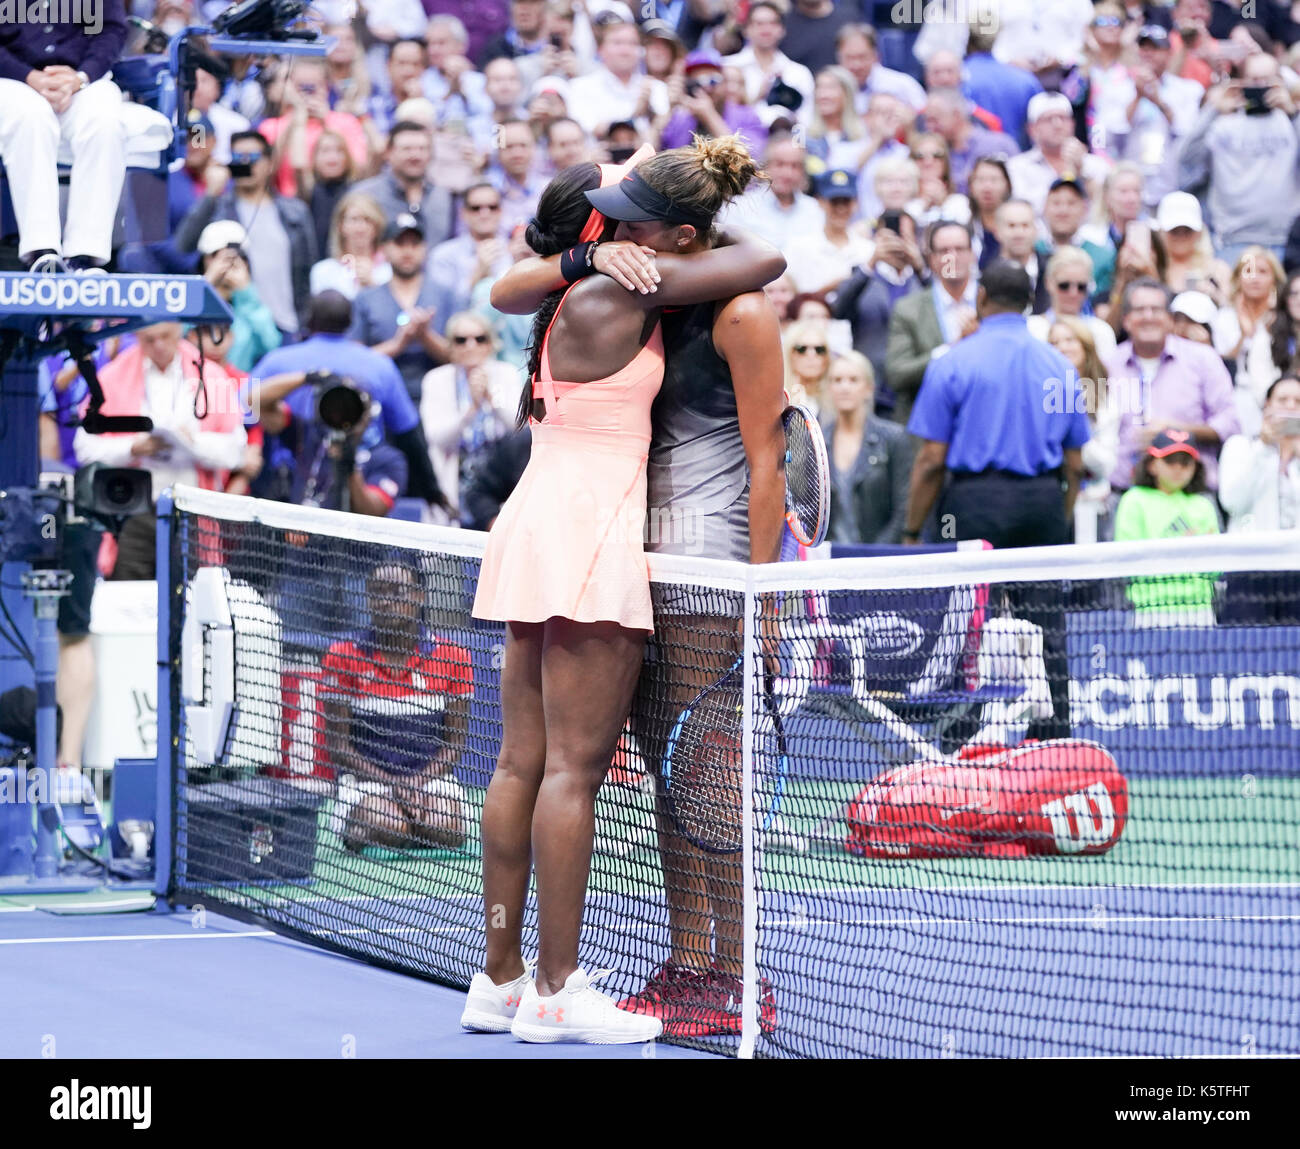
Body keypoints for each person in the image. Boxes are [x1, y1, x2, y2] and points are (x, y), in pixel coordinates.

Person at [464, 141, 784, 1043]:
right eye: (614, 215)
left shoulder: (576, 289)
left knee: (521, 765)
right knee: (572, 770)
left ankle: (500, 977)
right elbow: (766, 253)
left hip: (540, 527)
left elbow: (509, 284)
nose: (623, 223)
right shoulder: (624, 287)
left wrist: (587, 250)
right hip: (594, 535)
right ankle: (559, 993)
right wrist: (604, 252)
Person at [904, 262, 1091, 740]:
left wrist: (911, 530)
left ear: (982, 298)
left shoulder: (954, 361)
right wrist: (1059, 512)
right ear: (1030, 302)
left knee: (965, 618)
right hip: (1040, 502)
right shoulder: (1059, 366)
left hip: (971, 502)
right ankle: (1054, 736)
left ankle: (956, 735)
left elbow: (930, 459)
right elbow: (1074, 462)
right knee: (1046, 620)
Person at [73, 323, 247, 580]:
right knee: (128, 597)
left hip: (194, 512)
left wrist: (193, 443)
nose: (159, 346)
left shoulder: (213, 376)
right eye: (148, 340)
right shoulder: (113, 376)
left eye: (165, 337)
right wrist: (133, 447)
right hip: (134, 511)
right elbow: (84, 447)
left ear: (179, 330)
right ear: (136, 336)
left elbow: (235, 452)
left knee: (191, 599)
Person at [322, 561, 472, 851]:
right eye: (378, 593)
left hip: (430, 779)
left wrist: (417, 783)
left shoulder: (453, 657)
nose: (386, 602)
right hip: (366, 782)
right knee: (393, 827)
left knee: (445, 828)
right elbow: (337, 747)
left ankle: (398, 826)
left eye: (397, 592)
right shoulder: (342, 655)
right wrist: (392, 785)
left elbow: (454, 746)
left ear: (419, 596)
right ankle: (362, 822)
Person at [0, 0, 128, 270]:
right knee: (31, 117)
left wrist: (82, 77)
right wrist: (27, 76)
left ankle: (86, 254)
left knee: (104, 120)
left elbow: (112, 29)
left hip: (81, 80)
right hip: (12, 79)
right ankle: (40, 251)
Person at [176, 129, 319, 338]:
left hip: (289, 325)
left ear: (270, 164)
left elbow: (310, 269)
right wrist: (211, 194)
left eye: (252, 157)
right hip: (238, 331)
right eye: (237, 158)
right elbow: (183, 245)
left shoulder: (295, 212)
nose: (245, 164)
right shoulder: (218, 207)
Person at [1107, 278, 1241, 494]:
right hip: (1123, 493)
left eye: (1156, 309)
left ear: (1170, 319)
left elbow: (1230, 422)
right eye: (1140, 310)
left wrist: (1179, 431)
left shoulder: (1202, 359)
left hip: (1191, 495)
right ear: (1126, 320)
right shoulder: (1108, 365)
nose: (1148, 317)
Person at [1180, 53, 1300, 265]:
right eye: (1254, 80)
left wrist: (1294, 113)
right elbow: (1187, 160)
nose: (1261, 86)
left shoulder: (1290, 121)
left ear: (1280, 82)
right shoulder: (1223, 122)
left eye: (1268, 80)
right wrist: (1213, 110)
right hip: (1232, 240)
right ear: (1241, 81)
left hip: (1285, 239)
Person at [1113, 429, 1221, 627]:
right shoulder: (1134, 501)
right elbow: (1129, 561)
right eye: (1170, 461)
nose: (1178, 468)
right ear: (1152, 465)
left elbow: (1215, 567)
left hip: (1200, 612)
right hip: (1151, 612)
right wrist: (1186, 549)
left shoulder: (1204, 505)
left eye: (1185, 462)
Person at [419, 312, 518, 520]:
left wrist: (492, 400)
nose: (470, 345)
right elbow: (437, 437)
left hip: (498, 479)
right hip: (455, 478)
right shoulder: (436, 380)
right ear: (451, 347)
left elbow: (519, 428)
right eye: (461, 340)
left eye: (480, 339)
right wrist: (470, 410)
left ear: (491, 344)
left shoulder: (507, 374)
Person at [1218, 375, 1300, 623]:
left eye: (1298, 401)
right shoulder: (1240, 447)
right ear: (1267, 405)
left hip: (1296, 568)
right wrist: (1264, 447)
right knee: (1248, 653)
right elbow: (1232, 501)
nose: (1290, 406)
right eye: (1282, 399)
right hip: (1250, 570)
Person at [885, 220, 979, 426]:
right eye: (944, 250)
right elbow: (897, 374)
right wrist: (951, 349)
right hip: (929, 427)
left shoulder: (992, 302)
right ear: (932, 258)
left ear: (972, 254)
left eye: (960, 249)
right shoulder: (908, 309)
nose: (952, 257)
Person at [350, 213, 449, 402]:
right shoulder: (365, 298)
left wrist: (425, 336)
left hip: (437, 399)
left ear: (425, 248)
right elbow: (354, 361)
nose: (407, 251)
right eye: (399, 243)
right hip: (380, 396)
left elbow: (461, 355)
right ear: (384, 249)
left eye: (414, 243)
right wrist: (397, 344)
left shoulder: (446, 295)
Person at [822, 351, 910, 544]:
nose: (844, 387)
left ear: (869, 388)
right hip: (829, 557)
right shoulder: (818, 440)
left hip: (879, 556)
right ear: (829, 388)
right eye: (837, 380)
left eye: (853, 380)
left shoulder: (893, 438)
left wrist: (876, 554)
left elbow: (904, 508)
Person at [1212, 246, 1287, 434]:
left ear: (1274, 280)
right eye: (1248, 271)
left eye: (1263, 272)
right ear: (1238, 278)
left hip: (1279, 394)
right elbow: (1226, 359)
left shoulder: (1285, 317)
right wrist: (1245, 333)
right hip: (1238, 393)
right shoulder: (1225, 316)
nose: (1255, 278)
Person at [197, 222, 282, 374]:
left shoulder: (249, 300)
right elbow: (179, 334)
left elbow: (271, 344)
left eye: (235, 256)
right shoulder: (194, 296)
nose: (226, 262)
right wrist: (206, 286)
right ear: (204, 260)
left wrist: (246, 292)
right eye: (216, 255)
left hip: (238, 386)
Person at [310, 192, 392, 300]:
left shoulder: (390, 272)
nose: (360, 228)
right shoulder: (323, 271)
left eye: (367, 220)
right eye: (354, 220)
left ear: (377, 227)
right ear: (341, 226)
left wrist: (373, 286)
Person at [782, 318, 833, 413]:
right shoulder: (777, 400)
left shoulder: (837, 398)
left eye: (819, 349)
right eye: (801, 349)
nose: (811, 355)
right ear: (789, 353)